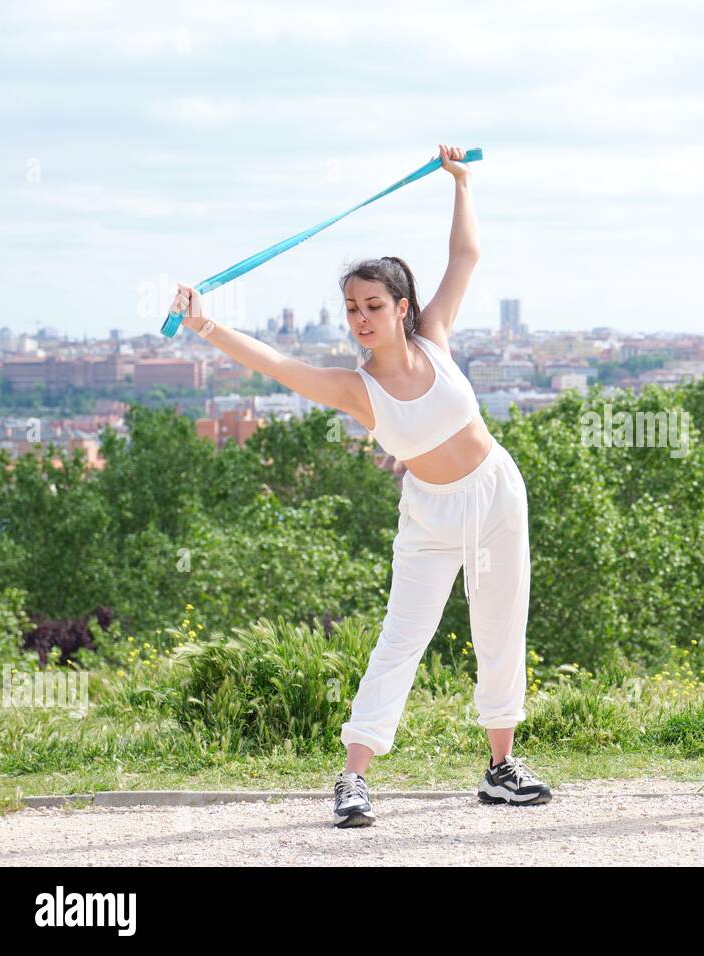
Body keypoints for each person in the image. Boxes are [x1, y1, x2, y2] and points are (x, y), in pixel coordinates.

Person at [169, 144, 551, 829]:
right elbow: (280, 365)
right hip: (431, 515)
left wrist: (461, 182)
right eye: (351, 308)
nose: (361, 317)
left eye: (373, 304)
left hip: (496, 494)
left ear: (401, 307)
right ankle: (352, 778)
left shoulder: (435, 337)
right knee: (399, 642)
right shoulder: (357, 389)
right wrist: (205, 324)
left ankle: (501, 767)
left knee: (500, 629)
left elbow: (465, 257)